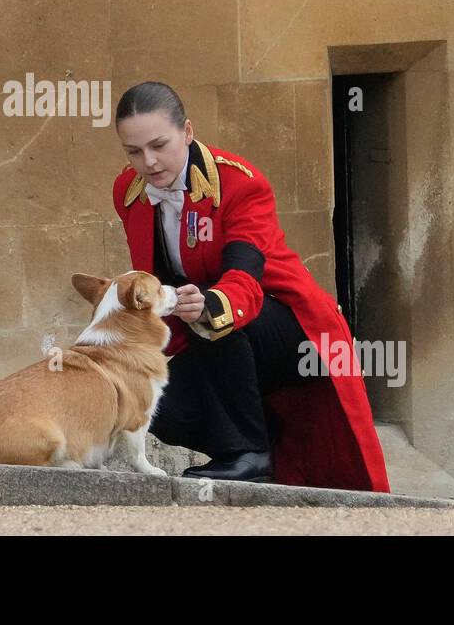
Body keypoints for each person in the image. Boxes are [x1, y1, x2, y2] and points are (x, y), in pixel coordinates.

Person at [111, 81, 390, 490]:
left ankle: (247, 454)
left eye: (159, 145)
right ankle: (265, 442)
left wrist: (208, 304)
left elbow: (244, 278)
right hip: (207, 333)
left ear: (187, 132)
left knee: (216, 321)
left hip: (292, 328)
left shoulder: (239, 182)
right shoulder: (127, 192)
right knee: (151, 402)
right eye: (133, 151)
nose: (148, 162)